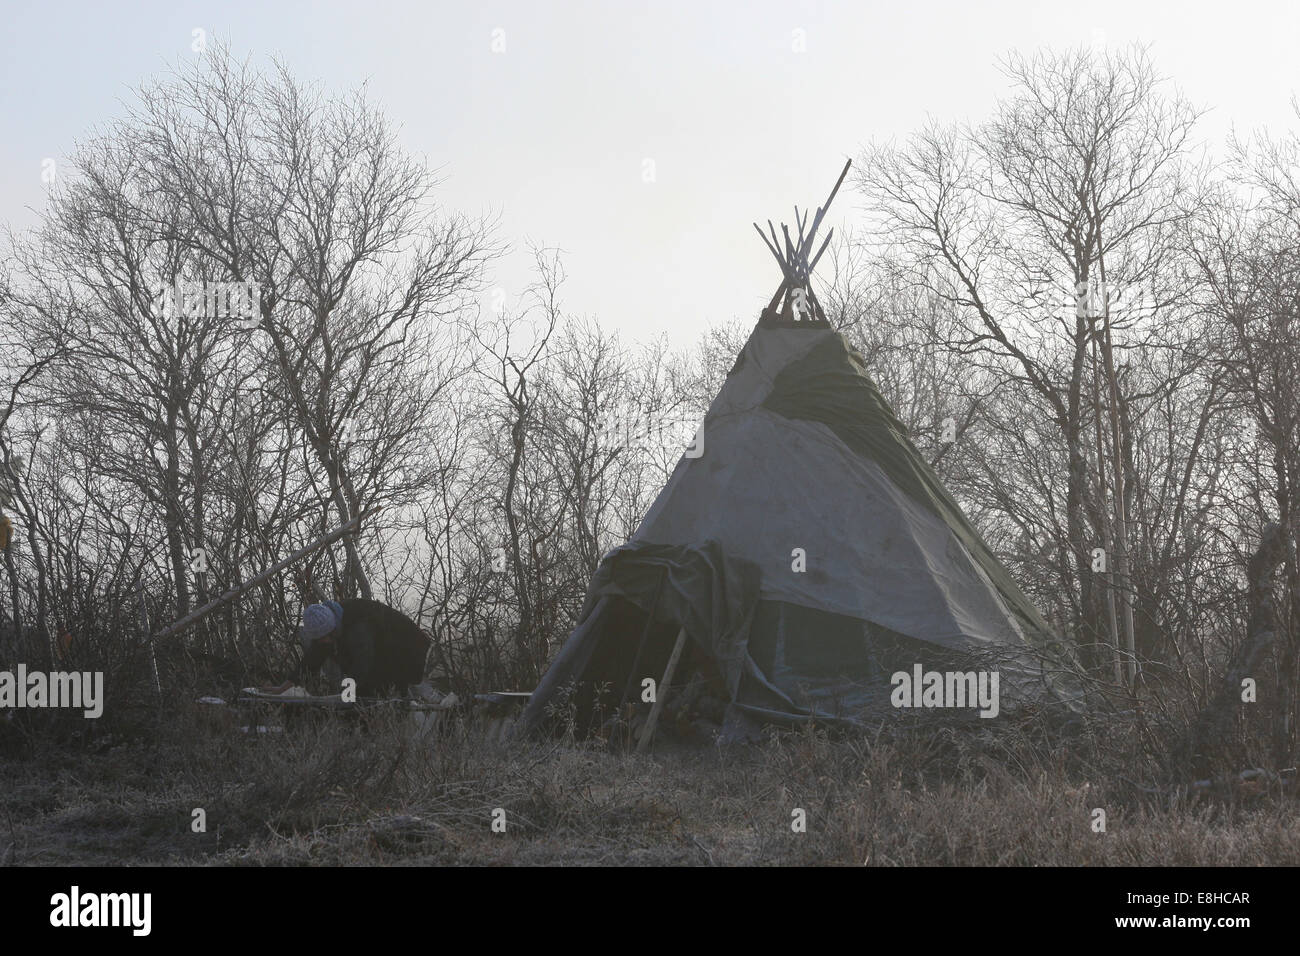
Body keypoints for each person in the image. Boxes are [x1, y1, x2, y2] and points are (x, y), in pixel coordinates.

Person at [299, 598, 430, 697]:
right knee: (362, 693)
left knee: (383, 695)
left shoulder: (357, 627)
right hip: (381, 651)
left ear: (332, 629)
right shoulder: (330, 626)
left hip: (407, 648)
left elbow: (362, 664)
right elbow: (312, 658)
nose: (323, 642)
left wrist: (345, 693)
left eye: (324, 637)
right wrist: (284, 687)